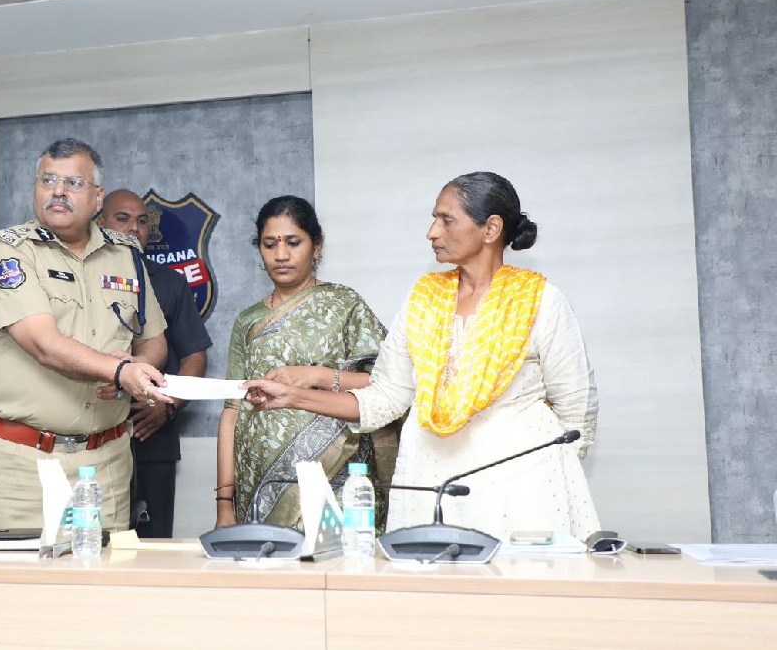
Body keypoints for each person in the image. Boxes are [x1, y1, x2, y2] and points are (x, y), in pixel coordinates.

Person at [245, 172, 600, 539]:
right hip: (430, 480)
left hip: (521, 487)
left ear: (491, 228)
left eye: (446, 220)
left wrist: (549, 483)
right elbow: (386, 397)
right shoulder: (423, 300)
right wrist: (293, 397)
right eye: (434, 219)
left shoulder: (541, 301)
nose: (432, 232)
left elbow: (576, 415)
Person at [0, 139, 171, 534]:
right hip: (21, 463)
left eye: (73, 183)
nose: (58, 191)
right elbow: (44, 344)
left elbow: (153, 340)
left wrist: (138, 370)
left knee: (101, 590)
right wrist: (118, 371)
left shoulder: (127, 254)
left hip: (107, 462)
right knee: (18, 589)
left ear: (98, 198)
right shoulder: (12, 252)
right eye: (48, 180)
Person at [215, 196, 391, 531]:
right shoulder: (248, 320)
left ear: (317, 245)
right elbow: (231, 412)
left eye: (293, 243)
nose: (281, 255)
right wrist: (224, 503)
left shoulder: (345, 305)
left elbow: (386, 384)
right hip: (260, 485)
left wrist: (319, 377)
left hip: (337, 479)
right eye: (269, 245)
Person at [97, 189, 212, 538]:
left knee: (153, 544)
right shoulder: (81, 276)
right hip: (91, 434)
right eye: (123, 219)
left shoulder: (167, 282)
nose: (134, 228)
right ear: (100, 222)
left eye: (142, 221)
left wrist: (170, 405)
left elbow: (195, 355)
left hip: (150, 436)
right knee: (91, 541)